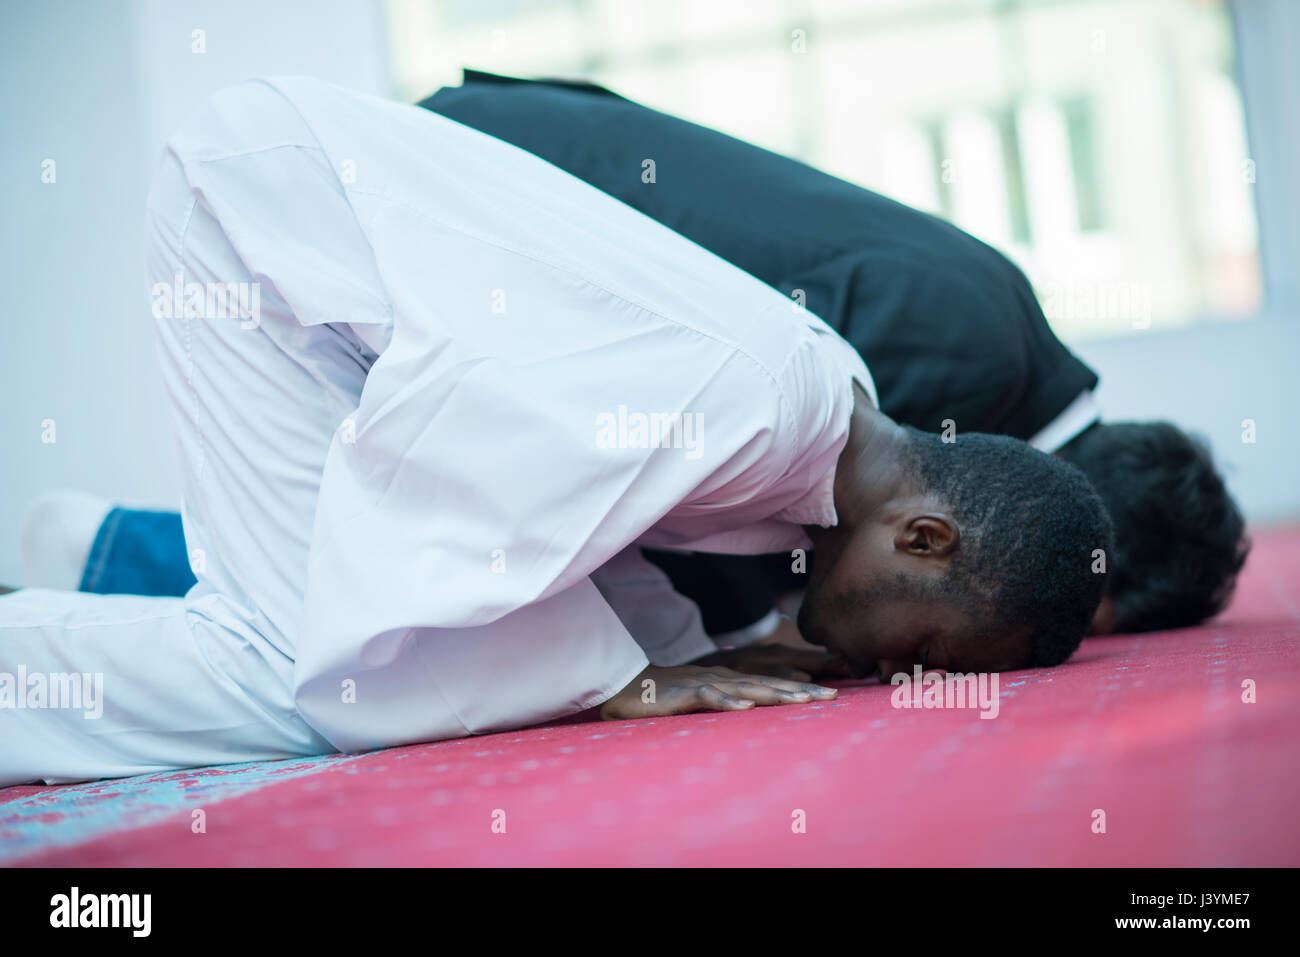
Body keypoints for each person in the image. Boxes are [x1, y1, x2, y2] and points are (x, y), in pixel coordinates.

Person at [0, 77, 1110, 787]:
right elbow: (460, 469)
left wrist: (676, 653)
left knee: (321, 667)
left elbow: (584, 526)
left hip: (320, 250)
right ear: (923, 539)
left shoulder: (826, 409)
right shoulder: (758, 410)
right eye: (918, 651)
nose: (879, 671)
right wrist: (621, 681)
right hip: (268, 231)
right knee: (307, 683)